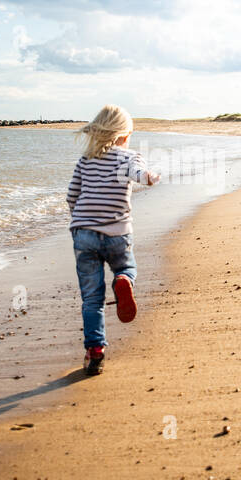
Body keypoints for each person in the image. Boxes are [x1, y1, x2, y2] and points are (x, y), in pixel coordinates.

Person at [66, 105, 160, 375]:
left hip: (84, 235)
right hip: (117, 232)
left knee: (91, 298)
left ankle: (95, 352)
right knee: (126, 267)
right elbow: (138, 174)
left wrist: (79, 221)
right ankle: (123, 281)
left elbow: (72, 195)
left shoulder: (86, 159)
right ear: (124, 135)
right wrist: (149, 178)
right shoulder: (129, 157)